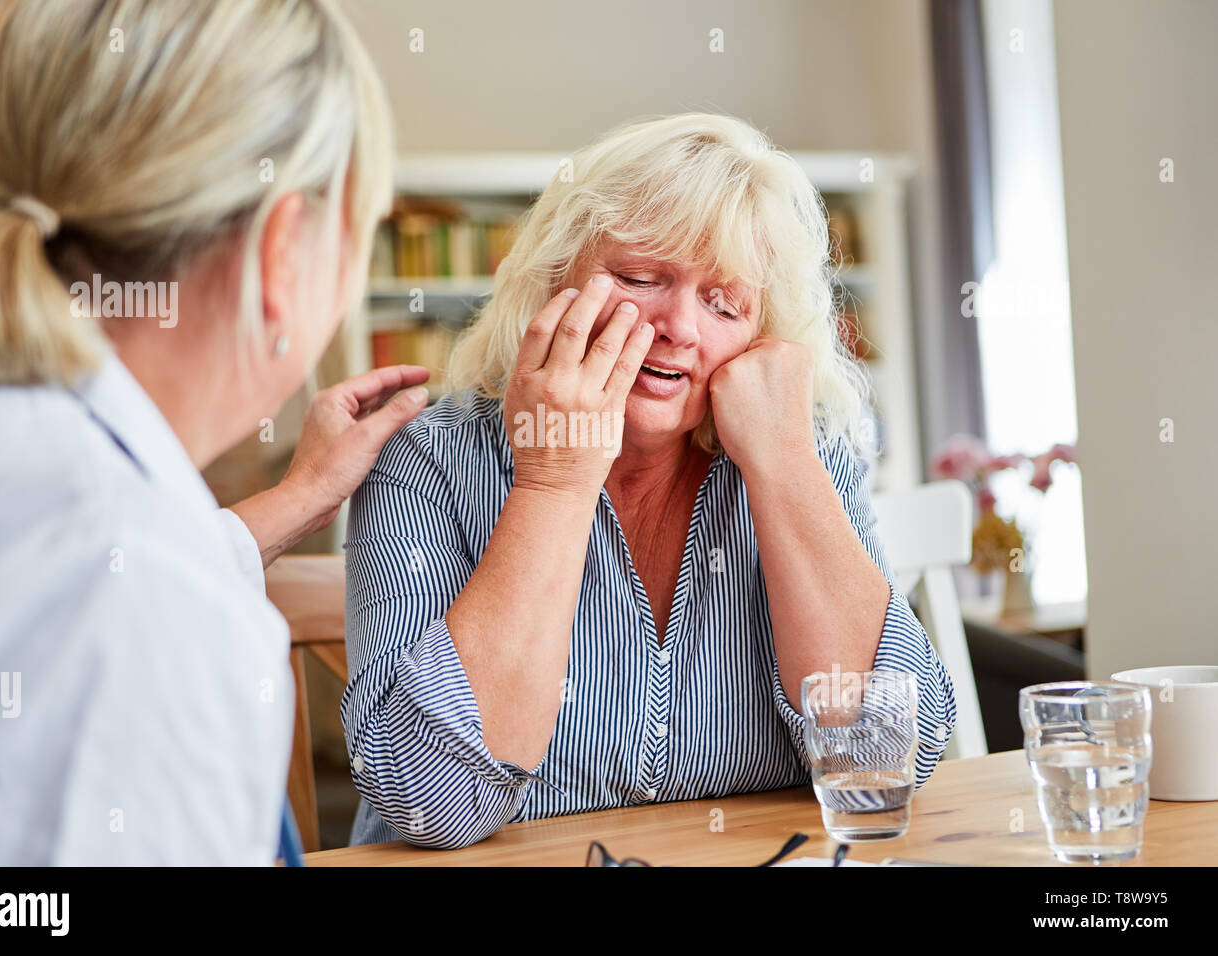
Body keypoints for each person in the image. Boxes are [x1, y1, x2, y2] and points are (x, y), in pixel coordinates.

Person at [341, 113, 958, 848]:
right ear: (550, 285)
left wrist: (786, 463)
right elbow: (429, 801)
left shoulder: (801, 450)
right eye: (639, 278)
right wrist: (557, 479)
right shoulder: (427, 461)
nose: (682, 329)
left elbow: (887, 760)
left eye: (724, 303)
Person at [0, 0, 424, 864]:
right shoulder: (146, 618)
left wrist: (298, 497)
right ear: (281, 254)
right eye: (358, 237)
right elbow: (118, 581)